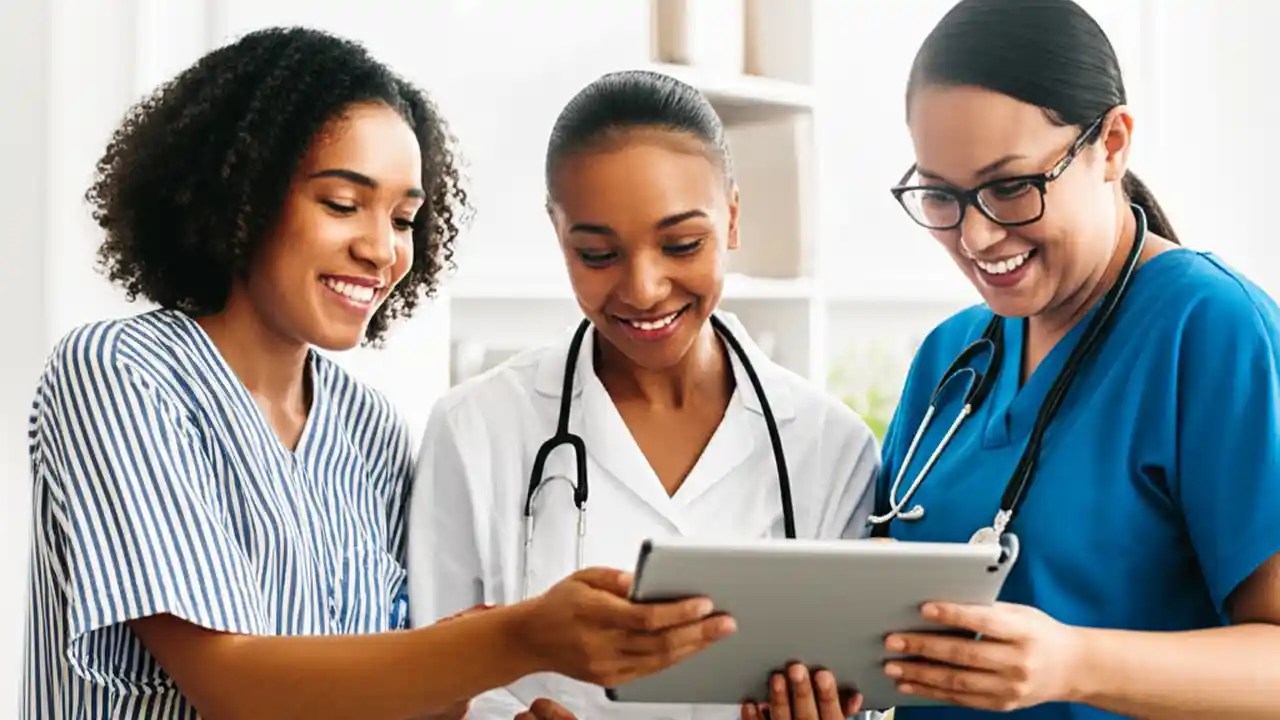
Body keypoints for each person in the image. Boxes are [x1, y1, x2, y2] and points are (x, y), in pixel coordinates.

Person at [21, 28, 734, 720]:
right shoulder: (121, 376)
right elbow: (233, 689)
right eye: (342, 204)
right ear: (241, 196)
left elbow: (389, 691)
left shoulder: (369, 433)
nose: (381, 250)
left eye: (403, 219)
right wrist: (517, 638)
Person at [755, 0, 1280, 718]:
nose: (974, 234)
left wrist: (1075, 664)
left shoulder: (1209, 329)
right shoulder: (951, 356)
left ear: (1113, 144)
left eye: (1010, 188)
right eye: (941, 194)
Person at [406, 68, 880, 719]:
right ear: (559, 235)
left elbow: (848, 684)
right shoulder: (474, 429)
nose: (644, 288)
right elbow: (425, 681)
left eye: (682, 244)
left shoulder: (832, 447)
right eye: (598, 254)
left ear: (733, 217)